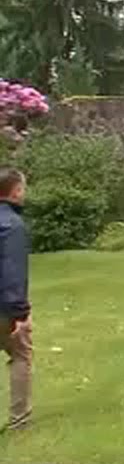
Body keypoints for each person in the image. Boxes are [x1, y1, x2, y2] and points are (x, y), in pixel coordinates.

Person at [0, 169, 32, 432]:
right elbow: (12, 271)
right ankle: (19, 420)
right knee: (21, 354)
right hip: (4, 307)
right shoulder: (13, 226)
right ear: (15, 191)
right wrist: (20, 314)